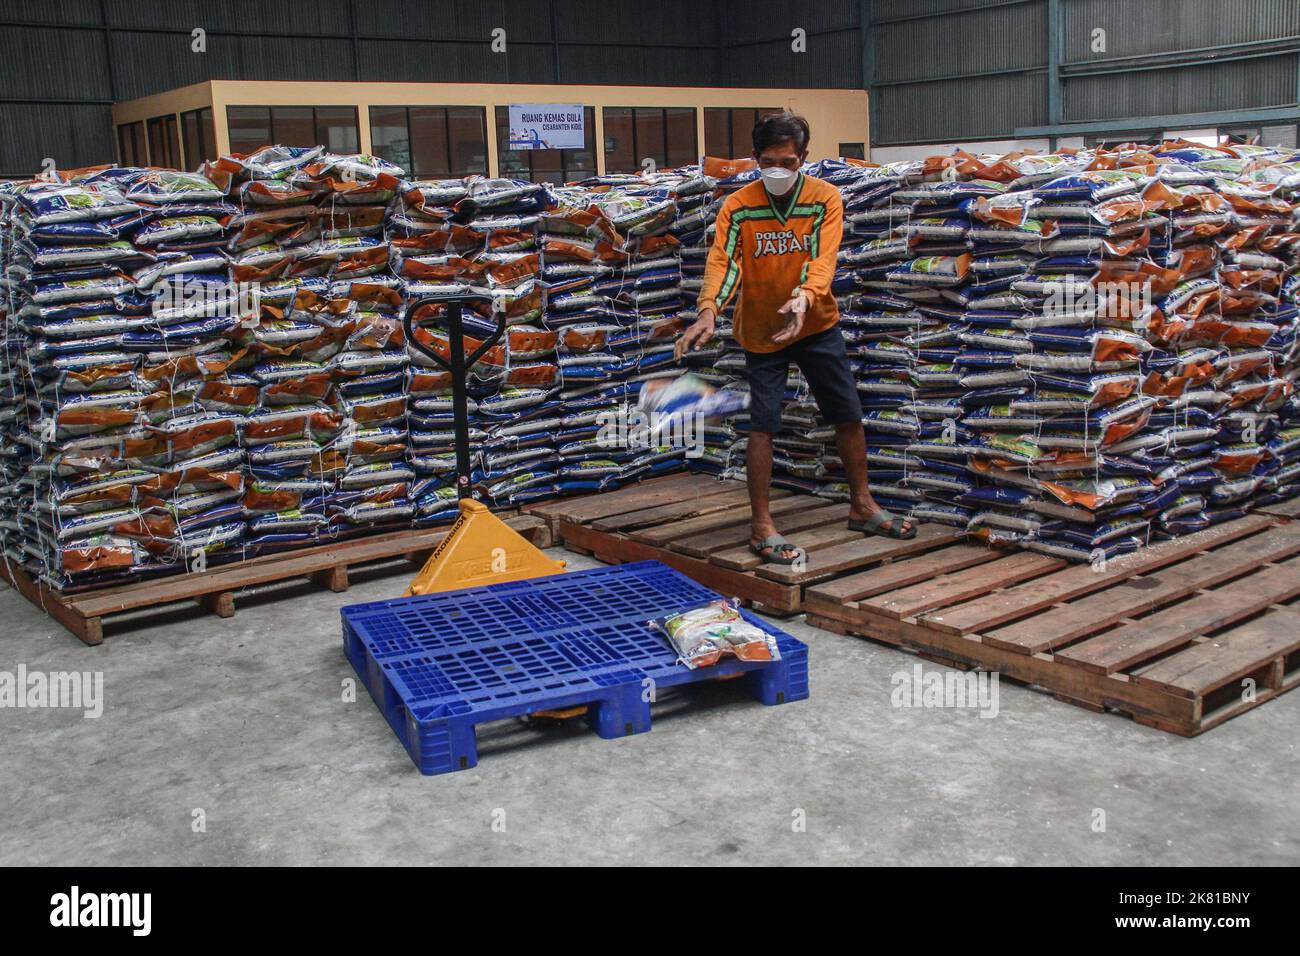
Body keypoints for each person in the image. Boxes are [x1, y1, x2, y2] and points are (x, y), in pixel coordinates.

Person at [674, 113, 914, 565]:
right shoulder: (739, 205)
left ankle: (862, 504)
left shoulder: (825, 198)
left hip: (816, 322)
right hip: (762, 329)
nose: (778, 170)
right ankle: (761, 524)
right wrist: (708, 311)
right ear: (756, 159)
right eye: (768, 161)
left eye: (787, 161)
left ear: (804, 158)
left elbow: (823, 258)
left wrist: (805, 297)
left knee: (847, 412)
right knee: (762, 424)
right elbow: (725, 262)